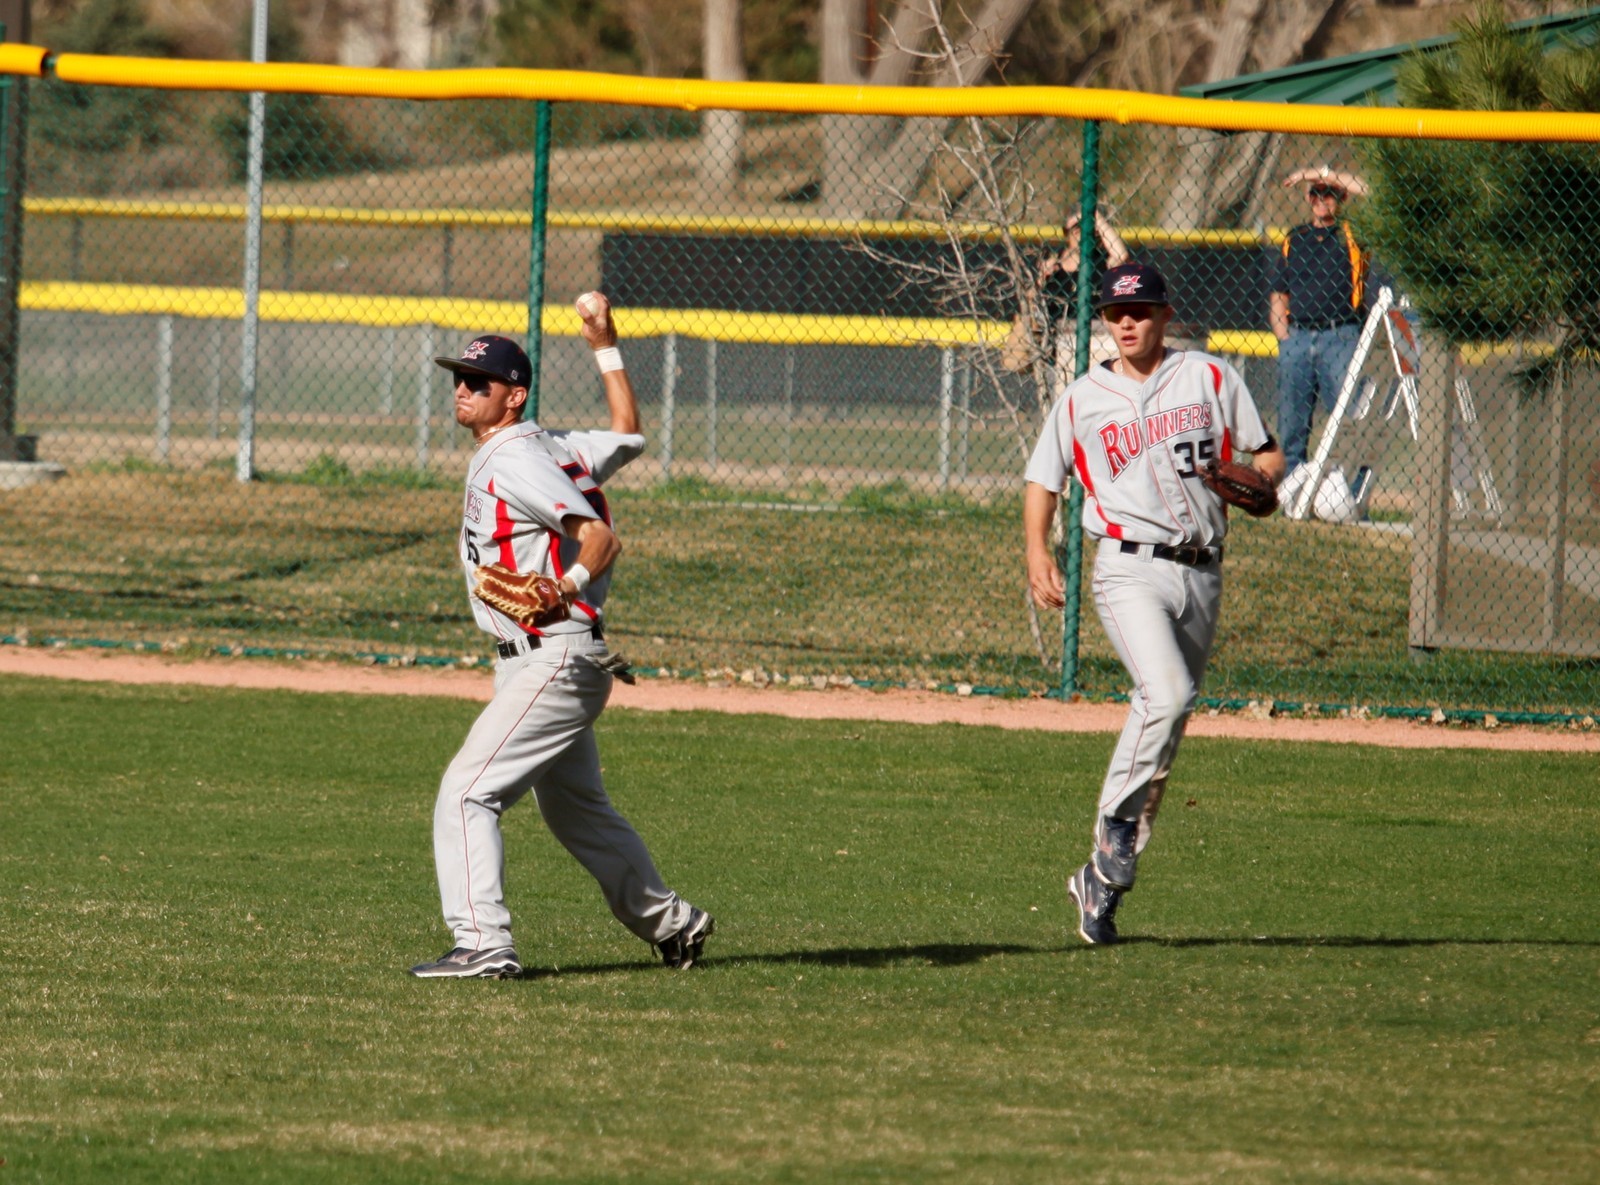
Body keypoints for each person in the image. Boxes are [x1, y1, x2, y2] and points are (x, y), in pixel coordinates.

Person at [408, 299, 714, 979]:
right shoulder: (556, 445)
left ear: (512, 398)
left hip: (552, 653)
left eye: (478, 382)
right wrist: (605, 344)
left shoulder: (516, 458)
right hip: (555, 659)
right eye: (458, 377)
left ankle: (484, 942)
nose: (463, 388)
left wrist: (564, 585)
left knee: (466, 793)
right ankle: (676, 925)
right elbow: (629, 435)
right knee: (577, 813)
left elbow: (602, 539)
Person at [1022, 262, 1286, 945]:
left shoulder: (1210, 376)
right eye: (1114, 313)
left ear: (1166, 314)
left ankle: (1102, 884)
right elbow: (1042, 479)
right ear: (1105, 322)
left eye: (1139, 310)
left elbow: (1269, 455)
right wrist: (1036, 552)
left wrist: (1260, 480)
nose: (1126, 321)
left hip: (1204, 570)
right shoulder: (1084, 397)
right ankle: (1112, 821)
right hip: (1126, 567)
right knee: (1165, 694)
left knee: (1165, 736)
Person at [1269, 166, 1371, 471]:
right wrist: (1283, 336)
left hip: (1340, 336)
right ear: (1308, 198)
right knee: (1291, 422)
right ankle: (1291, 486)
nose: (1322, 199)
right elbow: (1279, 292)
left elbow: (1369, 191)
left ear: (1341, 198)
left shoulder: (1352, 233)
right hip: (1298, 337)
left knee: (1350, 418)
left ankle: (1345, 488)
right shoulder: (1294, 238)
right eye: (1316, 192)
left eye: (1330, 193)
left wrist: (1318, 173)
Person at [1005, 211, 1131, 378]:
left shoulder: (1102, 262)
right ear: (1067, 232)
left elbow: (1121, 255)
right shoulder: (1052, 263)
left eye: (1088, 228)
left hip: (1093, 340)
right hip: (1055, 344)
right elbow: (1030, 304)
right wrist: (1041, 280)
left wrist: (1096, 216)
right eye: (1076, 229)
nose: (1081, 233)